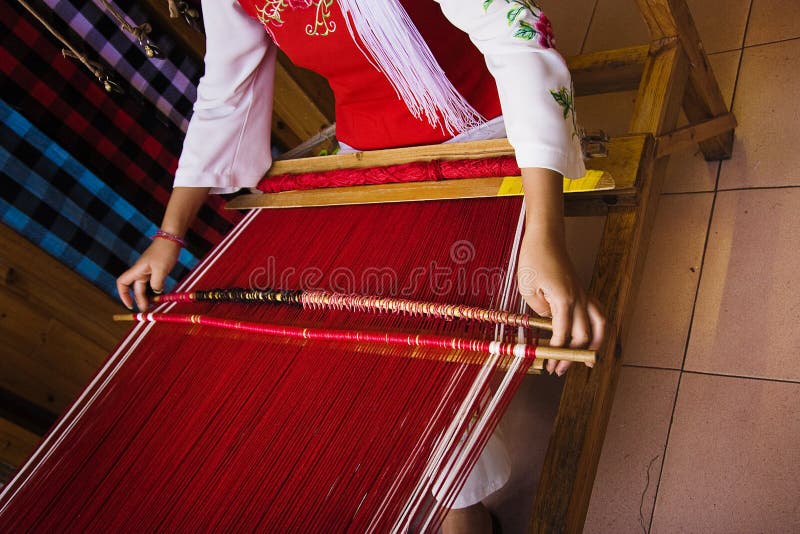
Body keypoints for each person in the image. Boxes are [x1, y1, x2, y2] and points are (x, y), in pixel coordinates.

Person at [116, 1, 605, 531]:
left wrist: (546, 235)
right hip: (367, 161)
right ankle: (459, 502)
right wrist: (169, 233)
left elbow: (516, 37)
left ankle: (460, 506)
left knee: (434, 316)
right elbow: (225, 92)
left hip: (483, 130)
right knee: (375, 341)